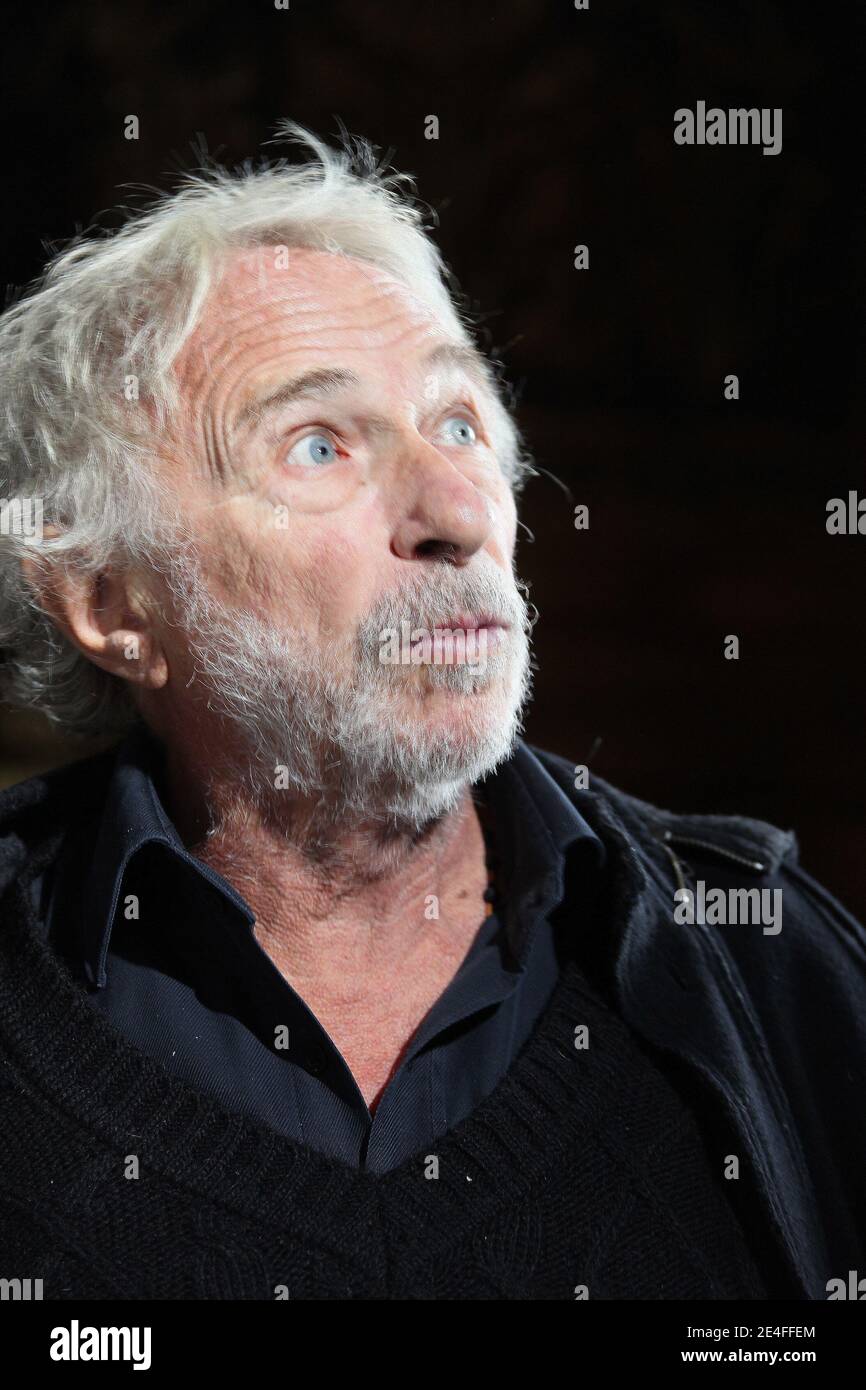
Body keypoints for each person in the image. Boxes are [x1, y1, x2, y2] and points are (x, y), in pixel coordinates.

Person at [0, 123, 863, 1301]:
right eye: (318, 444)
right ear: (113, 604)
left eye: (458, 423)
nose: (456, 506)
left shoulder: (758, 961)